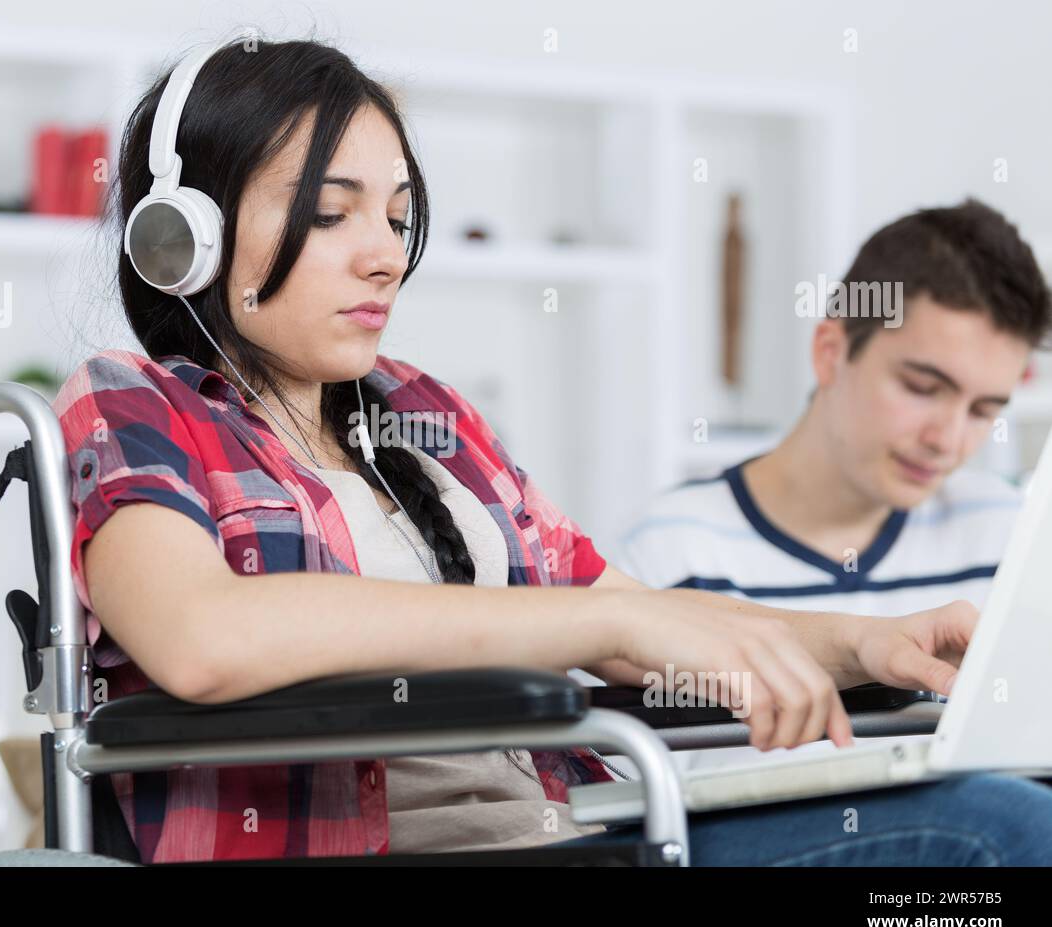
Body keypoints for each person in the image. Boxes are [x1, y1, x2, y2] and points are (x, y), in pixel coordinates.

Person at [53, 35, 1052, 865]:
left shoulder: (422, 411)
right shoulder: (131, 404)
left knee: (998, 818)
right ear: (185, 233)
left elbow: (629, 619)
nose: (386, 250)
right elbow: (202, 637)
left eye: (398, 214)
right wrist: (590, 622)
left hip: (580, 835)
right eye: (332, 210)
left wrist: (861, 644)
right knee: (994, 834)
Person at [612, 200, 1050, 773]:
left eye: (982, 410)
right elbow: (628, 814)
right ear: (830, 353)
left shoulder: (1008, 534)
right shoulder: (667, 558)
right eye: (922, 387)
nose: (947, 439)